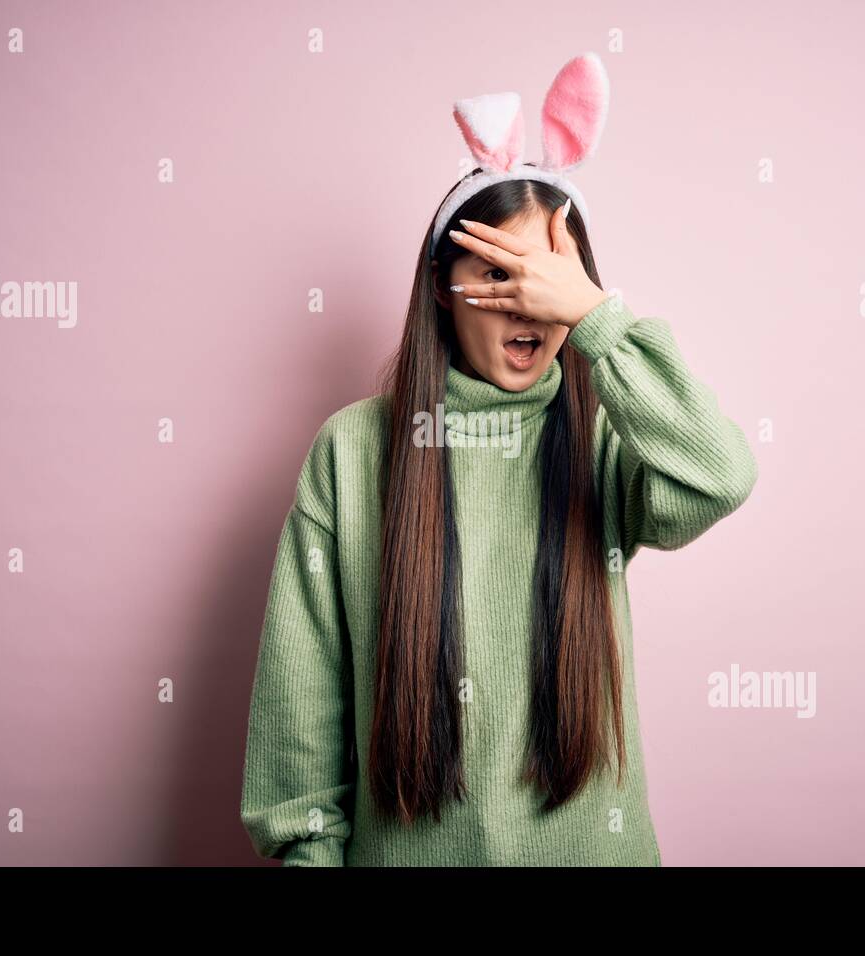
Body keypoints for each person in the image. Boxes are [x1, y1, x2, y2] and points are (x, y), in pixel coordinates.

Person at [239, 52, 758, 866]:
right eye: (498, 273)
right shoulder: (351, 453)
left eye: (549, 279)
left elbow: (719, 474)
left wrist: (597, 317)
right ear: (442, 284)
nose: (528, 306)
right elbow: (296, 746)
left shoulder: (605, 439)